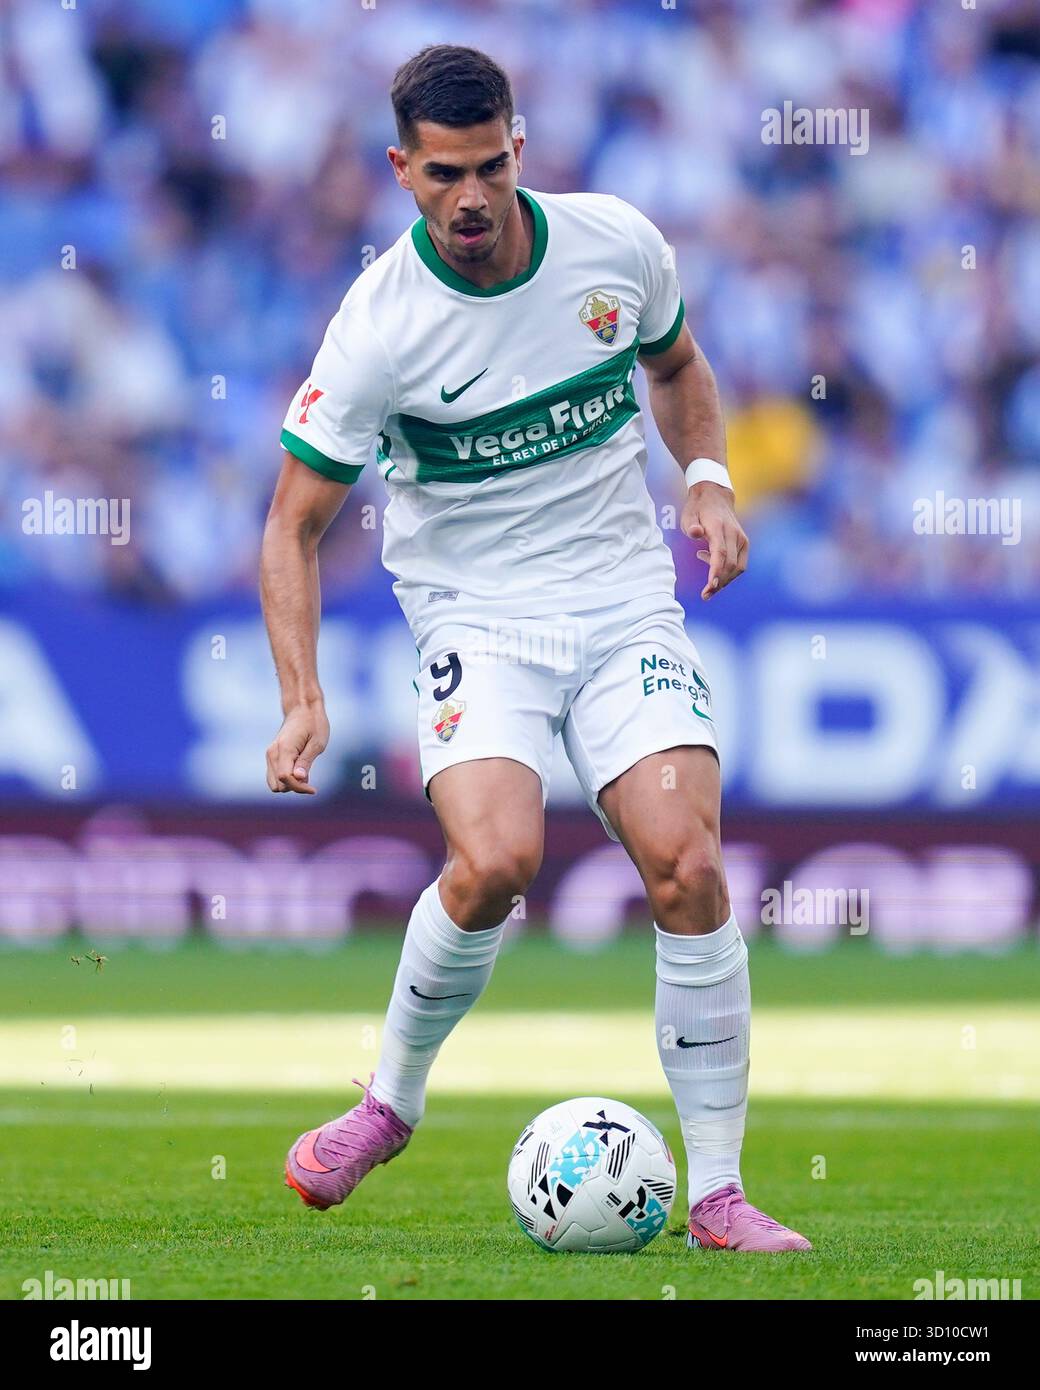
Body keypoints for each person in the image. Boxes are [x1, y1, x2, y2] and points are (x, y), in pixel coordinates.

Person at [260, 44, 809, 1253]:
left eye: (491, 167)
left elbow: (676, 366)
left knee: (687, 862)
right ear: (400, 169)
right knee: (497, 860)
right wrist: (300, 696)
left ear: (522, 148)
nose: (470, 196)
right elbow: (293, 524)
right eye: (443, 173)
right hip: (478, 619)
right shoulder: (378, 329)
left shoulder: (615, 242)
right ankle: (388, 1106)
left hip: (621, 605)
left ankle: (714, 1191)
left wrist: (707, 481)